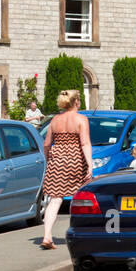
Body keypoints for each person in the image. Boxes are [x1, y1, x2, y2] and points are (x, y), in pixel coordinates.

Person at [40, 89, 92, 250]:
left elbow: (47, 144)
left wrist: (49, 159)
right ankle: (84, 234)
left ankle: (47, 236)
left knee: (55, 199)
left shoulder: (55, 120)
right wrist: (89, 164)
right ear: (76, 102)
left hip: (57, 162)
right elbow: (84, 143)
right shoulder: (81, 119)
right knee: (83, 197)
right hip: (76, 160)